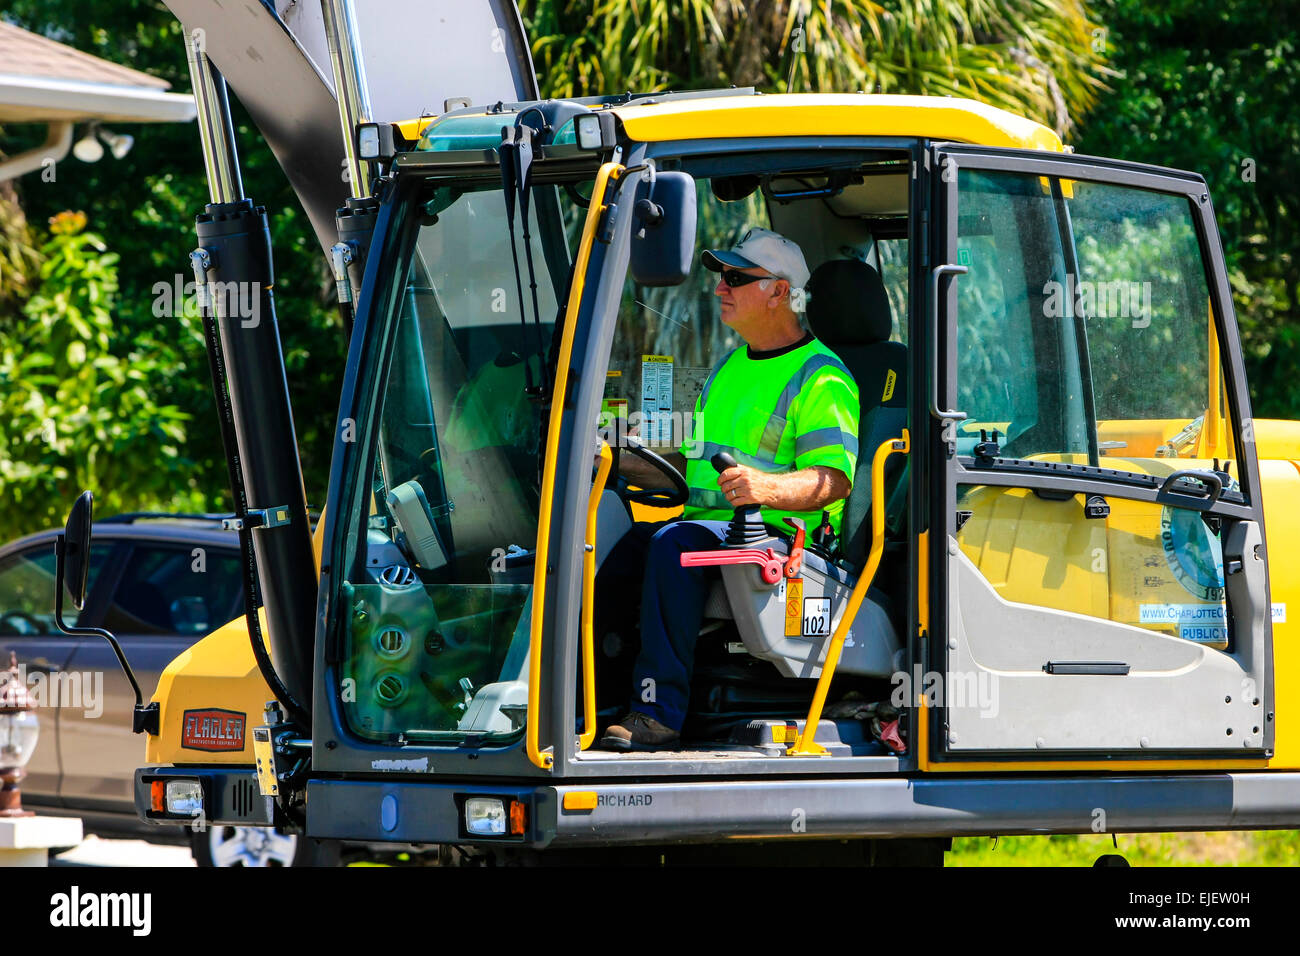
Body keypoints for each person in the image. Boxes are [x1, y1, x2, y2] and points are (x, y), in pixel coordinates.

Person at [599, 227, 860, 751]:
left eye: (737, 278)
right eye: (721, 276)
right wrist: (615, 460)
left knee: (672, 546)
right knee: (613, 551)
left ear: (780, 292)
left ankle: (659, 713)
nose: (721, 287)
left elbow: (832, 481)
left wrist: (764, 487)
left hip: (779, 539)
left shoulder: (823, 378)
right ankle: (600, 699)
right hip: (706, 527)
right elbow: (692, 465)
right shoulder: (728, 369)